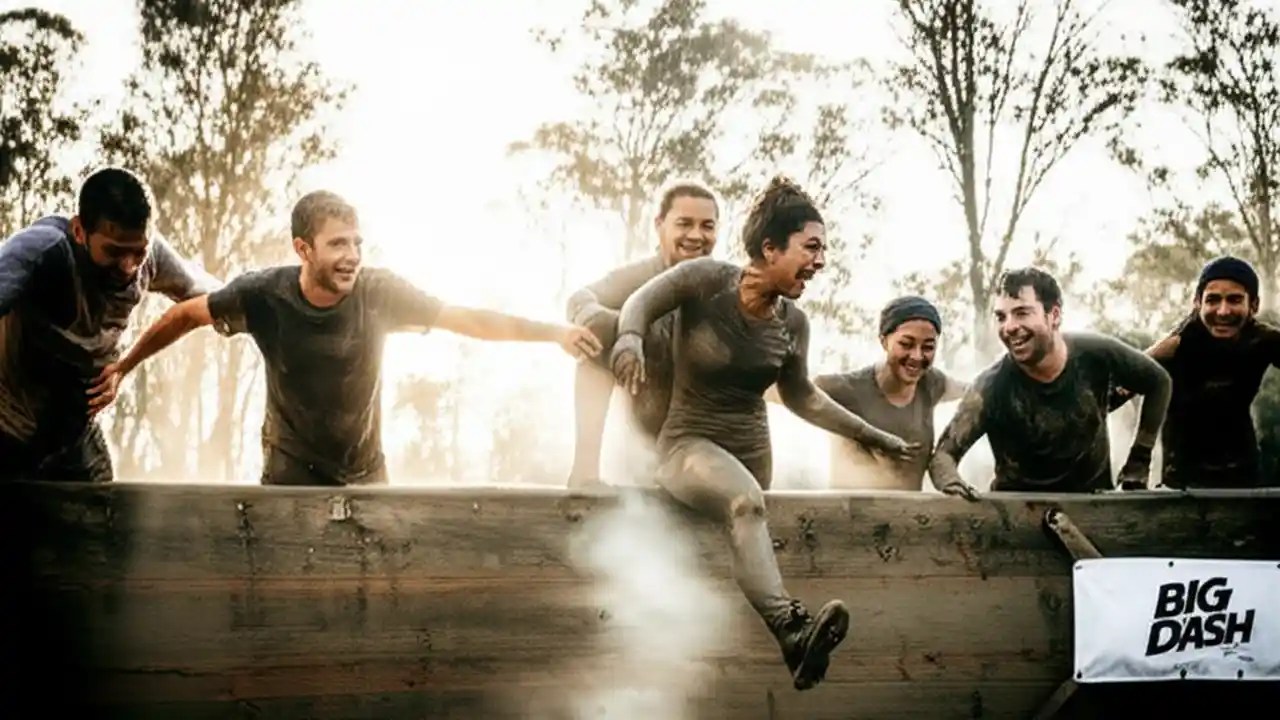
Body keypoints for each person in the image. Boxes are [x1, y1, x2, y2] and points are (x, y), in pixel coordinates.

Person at [611, 176, 920, 691]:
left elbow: (802, 396)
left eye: (823, 250)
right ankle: (792, 632)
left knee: (749, 507)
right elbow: (639, 303)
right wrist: (628, 339)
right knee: (744, 504)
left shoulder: (794, 323)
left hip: (753, 458)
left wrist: (872, 435)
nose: (820, 261)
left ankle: (791, 637)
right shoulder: (705, 280)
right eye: (811, 247)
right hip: (687, 447)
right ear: (770, 247)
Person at [94, 190, 601, 486]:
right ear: (303, 249)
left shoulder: (379, 292)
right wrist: (123, 367)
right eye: (338, 244)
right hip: (290, 471)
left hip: (365, 471)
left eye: (357, 243)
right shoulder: (263, 295)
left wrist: (554, 333)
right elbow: (185, 314)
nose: (352, 256)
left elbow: (466, 319)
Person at [0, 166, 219, 482]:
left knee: (104, 506)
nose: (128, 266)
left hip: (73, 433)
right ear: (79, 231)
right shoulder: (43, 250)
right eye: (114, 251)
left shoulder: (151, 255)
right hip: (8, 426)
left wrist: (125, 366)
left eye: (138, 252)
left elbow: (215, 299)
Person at [929, 267, 1173, 495]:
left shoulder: (1097, 354)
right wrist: (955, 487)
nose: (1009, 327)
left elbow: (1159, 381)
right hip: (1018, 513)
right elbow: (943, 456)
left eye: (1022, 313)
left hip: (1094, 509)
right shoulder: (990, 387)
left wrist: (1139, 460)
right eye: (1001, 317)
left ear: (1054, 315)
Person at [565, 180, 719, 487]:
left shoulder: (726, 284)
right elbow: (579, 299)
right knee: (596, 340)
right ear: (659, 225)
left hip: (709, 427)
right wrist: (626, 331)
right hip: (649, 416)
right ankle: (584, 474)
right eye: (684, 224)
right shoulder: (637, 276)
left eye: (707, 226)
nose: (695, 235)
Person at [1111, 256, 1280, 488]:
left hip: (1241, 471)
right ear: (1198, 303)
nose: (1223, 311)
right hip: (1182, 476)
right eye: (1213, 300)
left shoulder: (1262, 340)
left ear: (1254, 305)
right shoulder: (1176, 345)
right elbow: (1113, 395)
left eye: (1234, 300)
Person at [809, 296, 968, 491]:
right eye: (906, 344)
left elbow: (975, 392)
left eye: (928, 347)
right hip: (852, 507)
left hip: (912, 508)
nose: (917, 356)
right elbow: (791, 392)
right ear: (884, 341)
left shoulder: (932, 384)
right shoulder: (844, 389)